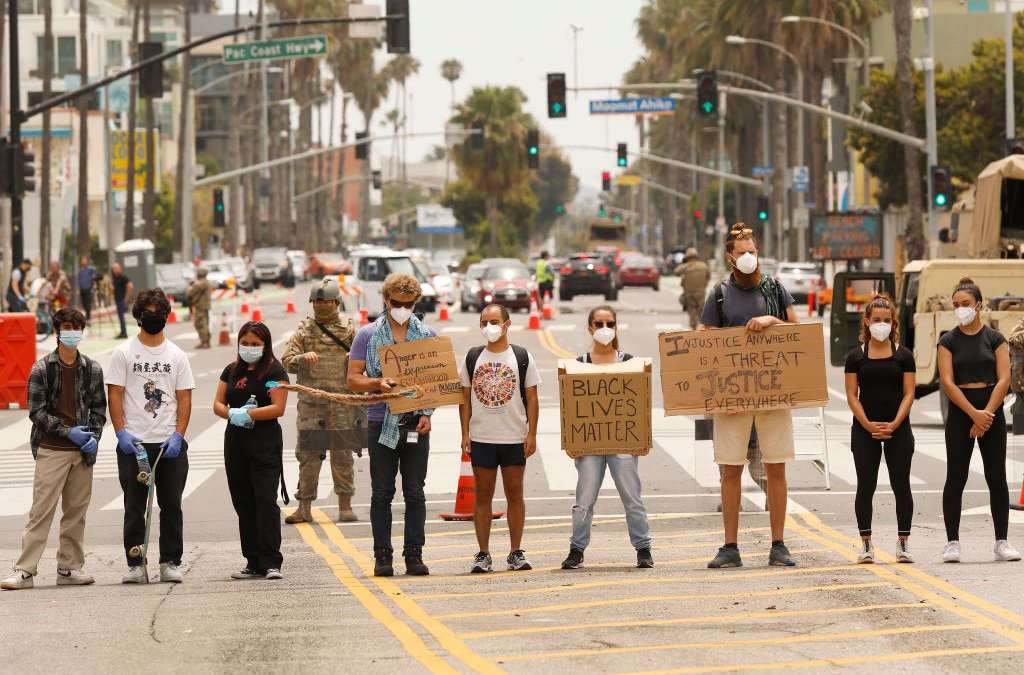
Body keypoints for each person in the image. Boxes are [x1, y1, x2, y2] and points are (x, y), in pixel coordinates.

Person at [699, 225, 799, 569]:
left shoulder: (775, 289)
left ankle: (778, 544)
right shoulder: (719, 294)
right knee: (730, 470)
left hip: (774, 393)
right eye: (742, 253)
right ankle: (730, 546)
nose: (748, 258)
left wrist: (771, 319)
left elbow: (798, 333)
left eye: (752, 252)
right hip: (732, 399)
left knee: (776, 467)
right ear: (730, 257)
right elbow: (706, 344)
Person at [1, 309, 106, 590]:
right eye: (67, 327)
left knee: (76, 512)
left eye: (77, 327)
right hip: (51, 448)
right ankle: (24, 570)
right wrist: (67, 431)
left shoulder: (93, 369)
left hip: (82, 452)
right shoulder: (42, 368)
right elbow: (36, 412)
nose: (73, 332)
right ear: (57, 331)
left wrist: (93, 437)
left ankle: (69, 568)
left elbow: (99, 409)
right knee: (41, 511)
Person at [347, 273, 436, 577]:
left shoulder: (428, 335)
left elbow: (435, 382)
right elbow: (352, 379)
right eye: (396, 303)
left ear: (416, 303)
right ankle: (382, 556)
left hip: (415, 422)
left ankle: (414, 554)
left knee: (415, 492)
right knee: (382, 492)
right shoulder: (367, 335)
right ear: (385, 299)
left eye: (408, 304)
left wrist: (427, 414)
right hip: (380, 421)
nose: (402, 308)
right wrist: (377, 383)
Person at [106, 287, 195, 583]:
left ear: (168, 315)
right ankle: (135, 564)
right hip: (135, 444)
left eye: (159, 312)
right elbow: (115, 394)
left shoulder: (177, 355)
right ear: (138, 316)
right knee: (134, 508)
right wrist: (120, 432)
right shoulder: (124, 353)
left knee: (172, 506)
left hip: (168, 444)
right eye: (148, 313)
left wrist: (178, 435)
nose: (154, 317)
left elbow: (184, 398)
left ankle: (170, 562)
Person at [561, 305, 652, 570]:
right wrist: (570, 441)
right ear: (590, 328)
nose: (604, 329)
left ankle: (643, 548)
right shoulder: (579, 364)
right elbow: (570, 406)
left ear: (616, 327)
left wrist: (643, 438)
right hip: (589, 445)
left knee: (632, 498)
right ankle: (576, 549)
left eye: (609, 324)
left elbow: (640, 401)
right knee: (584, 500)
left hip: (623, 441)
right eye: (599, 324)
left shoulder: (628, 362)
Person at [938, 277, 1020, 563]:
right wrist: (974, 414)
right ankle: (952, 542)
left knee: (996, 476)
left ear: (979, 305)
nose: (961, 309)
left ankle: (1001, 541)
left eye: (966, 304)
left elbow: (1004, 379)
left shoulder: (995, 338)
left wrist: (986, 414)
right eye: (956, 305)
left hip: (991, 409)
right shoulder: (948, 341)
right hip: (961, 412)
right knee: (956, 476)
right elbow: (948, 383)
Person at [459, 304, 540, 574]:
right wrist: (465, 433)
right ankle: (483, 554)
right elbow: (464, 398)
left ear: (507, 324)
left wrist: (531, 434)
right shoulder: (472, 357)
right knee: (483, 496)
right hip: (482, 437)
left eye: (494, 321)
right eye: (484, 322)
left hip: (513, 437)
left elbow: (532, 398)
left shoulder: (522, 356)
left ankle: (516, 552)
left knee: (515, 494)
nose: (489, 327)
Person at [282, 279, 367, 524]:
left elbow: (369, 360)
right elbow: (287, 360)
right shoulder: (304, 331)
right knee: (308, 455)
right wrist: (302, 357)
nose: (321, 306)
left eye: (326, 302)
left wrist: (355, 359)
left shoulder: (350, 330)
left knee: (342, 455)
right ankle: (304, 506)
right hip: (312, 404)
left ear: (337, 303)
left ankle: (345, 505)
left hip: (342, 402)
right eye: (317, 302)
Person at [844, 294, 916, 564]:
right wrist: (867, 424)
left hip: (899, 427)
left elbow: (909, 393)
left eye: (887, 320)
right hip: (865, 428)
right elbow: (852, 395)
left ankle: (903, 542)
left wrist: (895, 423)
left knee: (901, 485)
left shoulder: (904, 356)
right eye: (876, 320)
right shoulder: (855, 357)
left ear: (893, 322)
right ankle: (866, 544)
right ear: (867, 322)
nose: (881, 324)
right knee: (866, 486)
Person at [215, 321, 290, 580]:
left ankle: (271, 561)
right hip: (236, 442)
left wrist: (251, 415)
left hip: (264, 444)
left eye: (255, 344)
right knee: (243, 501)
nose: (249, 348)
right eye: (244, 343)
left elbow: (278, 407)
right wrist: (231, 414)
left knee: (265, 501)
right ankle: (253, 561)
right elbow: (218, 402)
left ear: (265, 345)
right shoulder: (232, 370)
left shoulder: (274, 371)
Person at [674, 247, 711, 330]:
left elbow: (676, 272)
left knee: (691, 310)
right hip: (700, 292)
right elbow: (708, 276)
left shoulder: (686, 266)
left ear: (687, 257)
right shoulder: (703, 265)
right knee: (701, 309)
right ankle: (703, 326)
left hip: (689, 292)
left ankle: (694, 326)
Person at [187, 268, 212, 348]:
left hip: (200, 306)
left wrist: (190, 285)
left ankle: (204, 342)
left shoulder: (199, 283)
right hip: (206, 305)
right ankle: (206, 341)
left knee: (200, 324)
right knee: (205, 323)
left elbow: (189, 293)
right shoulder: (207, 282)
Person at [111, 262, 134, 339]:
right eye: (113, 268)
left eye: (116, 268)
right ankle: (122, 332)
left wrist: (126, 298)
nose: (114, 270)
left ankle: (124, 333)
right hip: (117, 299)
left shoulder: (123, 277)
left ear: (120, 268)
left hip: (121, 299)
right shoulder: (115, 278)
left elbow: (130, 286)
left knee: (121, 316)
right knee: (120, 316)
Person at [77, 256, 97, 321]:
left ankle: (88, 317)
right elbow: (79, 280)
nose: (83, 262)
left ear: (87, 261)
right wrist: (78, 288)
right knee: (84, 303)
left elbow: (94, 277)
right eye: (82, 260)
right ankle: (87, 315)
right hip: (82, 288)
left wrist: (94, 286)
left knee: (88, 303)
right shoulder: (80, 270)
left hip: (88, 288)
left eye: (85, 260)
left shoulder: (91, 269)